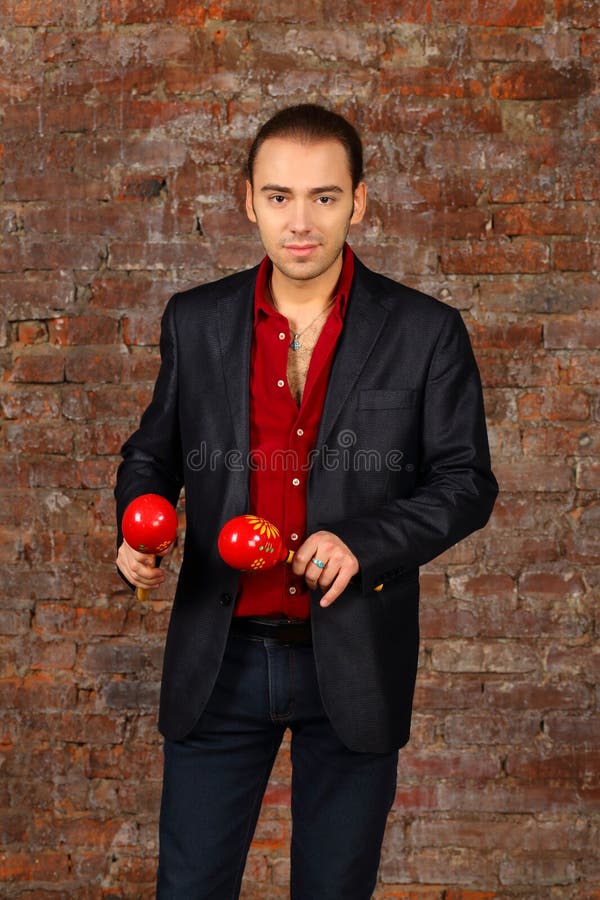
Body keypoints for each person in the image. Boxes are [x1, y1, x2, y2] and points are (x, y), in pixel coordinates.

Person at [115, 103, 498, 899]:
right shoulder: (195, 320)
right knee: (189, 888)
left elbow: (466, 482)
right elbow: (152, 454)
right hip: (219, 658)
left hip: (354, 659)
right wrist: (138, 525)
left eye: (324, 197)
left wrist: (366, 539)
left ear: (358, 202)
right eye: (279, 196)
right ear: (248, 201)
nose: (300, 221)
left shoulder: (427, 330)